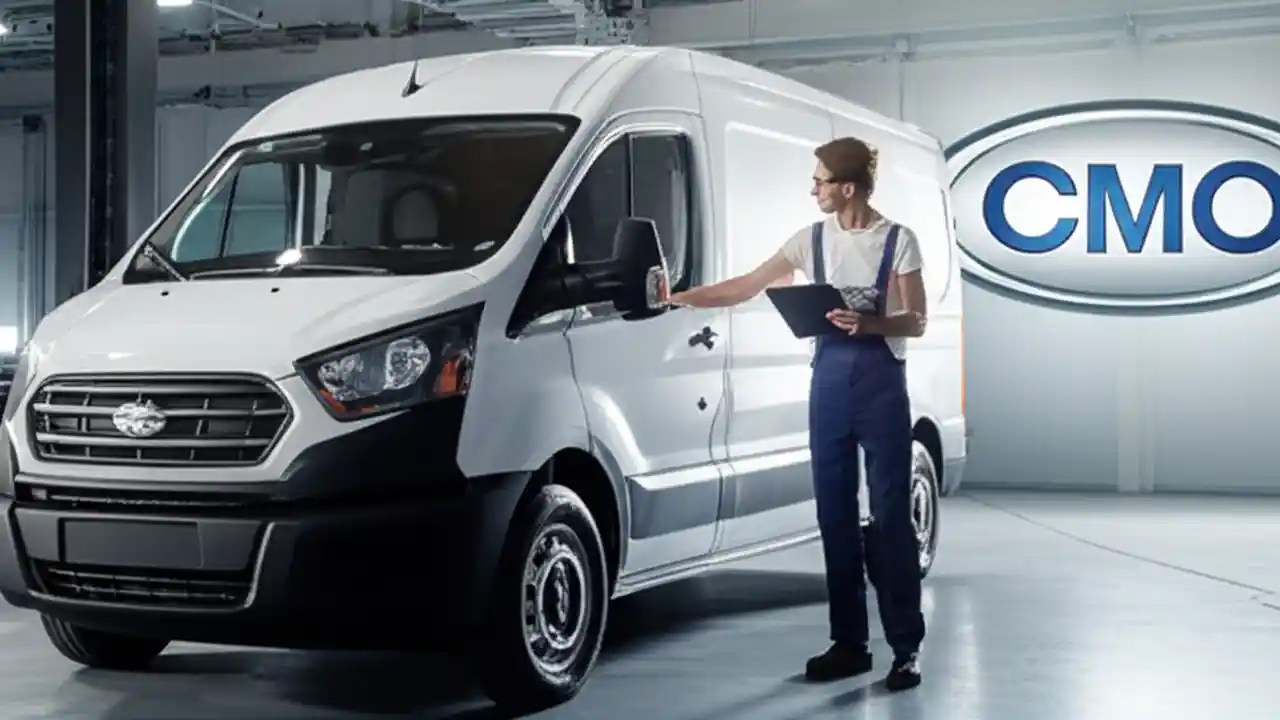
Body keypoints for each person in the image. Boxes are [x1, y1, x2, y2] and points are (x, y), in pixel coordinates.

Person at [668, 136, 928, 692]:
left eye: (821, 181)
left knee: (890, 520)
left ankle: (905, 648)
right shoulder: (809, 240)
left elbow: (918, 320)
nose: (813, 189)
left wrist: (873, 324)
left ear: (848, 187)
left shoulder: (898, 241)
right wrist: (681, 297)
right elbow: (747, 286)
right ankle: (849, 644)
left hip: (882, 389)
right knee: (834, 515)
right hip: (829, 387)